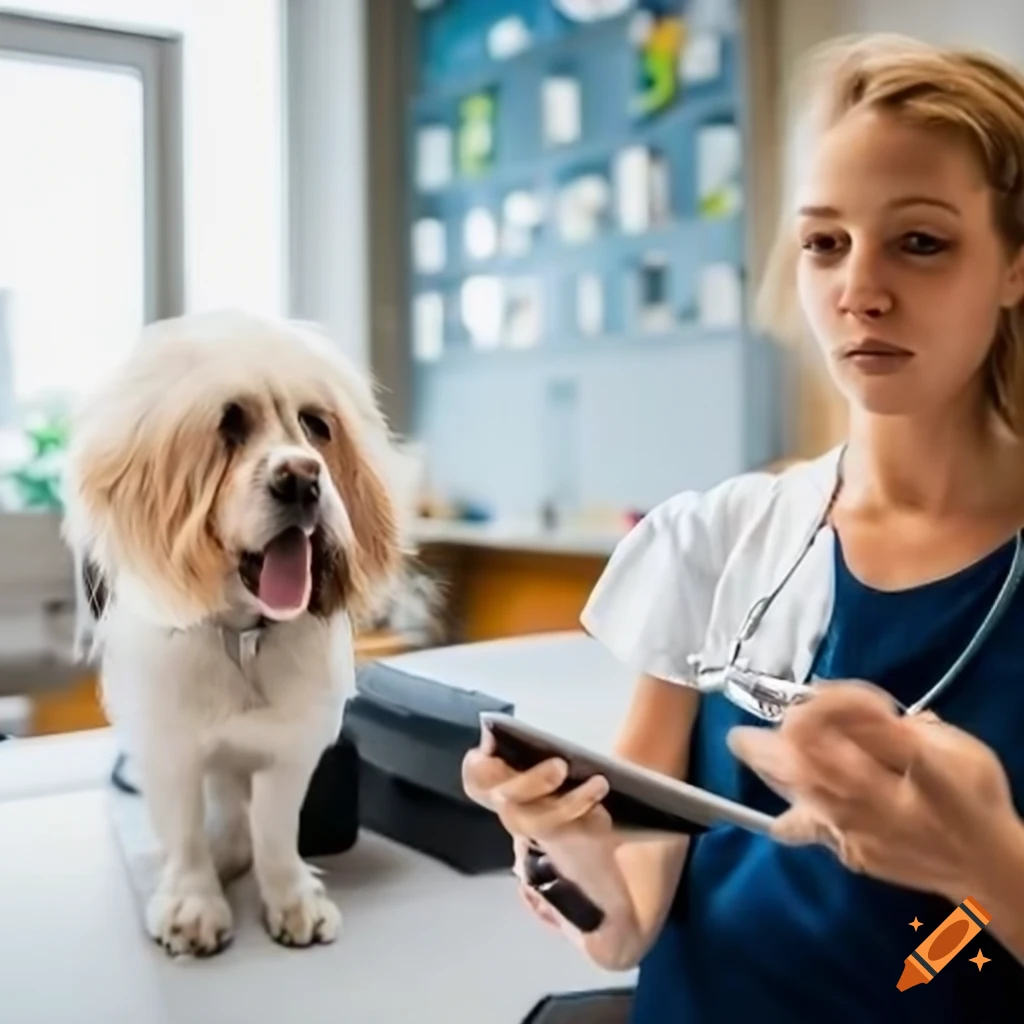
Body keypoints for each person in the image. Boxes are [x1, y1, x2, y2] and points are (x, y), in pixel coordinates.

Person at [462, 32, 1024, 1021]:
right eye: (823, 241)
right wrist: (564, 847)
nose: (858, 288)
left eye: (920, 241)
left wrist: (988, 863)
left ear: (1014, 265)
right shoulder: (714, 542)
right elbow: (624, 923)